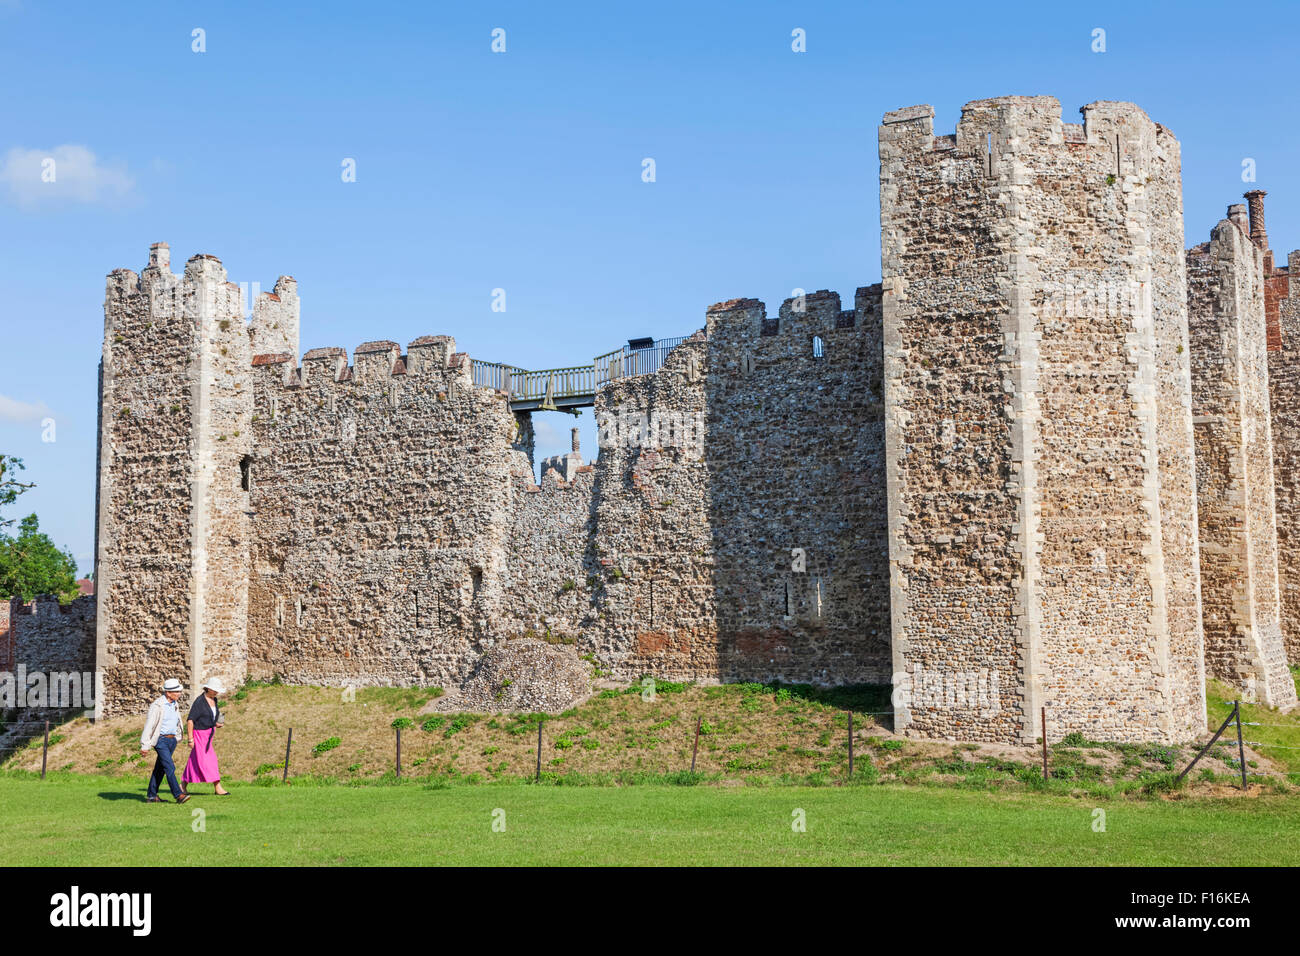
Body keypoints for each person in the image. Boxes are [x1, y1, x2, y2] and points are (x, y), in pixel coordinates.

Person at [141, 678, 190, 804]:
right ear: (168, 693)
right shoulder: (157, 706)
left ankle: (152, 796)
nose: (179, 693)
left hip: (171, 740)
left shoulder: (174, 704)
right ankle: (178, 795)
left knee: (160, 768)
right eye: (177, 691)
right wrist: (145, 745)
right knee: (169, 767)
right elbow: (150, 725)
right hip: (161, 740)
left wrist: (177, 737)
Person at [182, 677, 229, 795]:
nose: (216, 692)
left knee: (194, 761)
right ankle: (218, 787)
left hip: (209, 736)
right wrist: (190, 739)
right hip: (199, 736)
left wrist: (215, 723)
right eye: (215, 690)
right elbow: (190, 721)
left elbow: (210, 717)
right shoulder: (199, 702)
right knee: (211, 761)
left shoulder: (214, 700)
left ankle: (182, 785)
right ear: (208, 688)